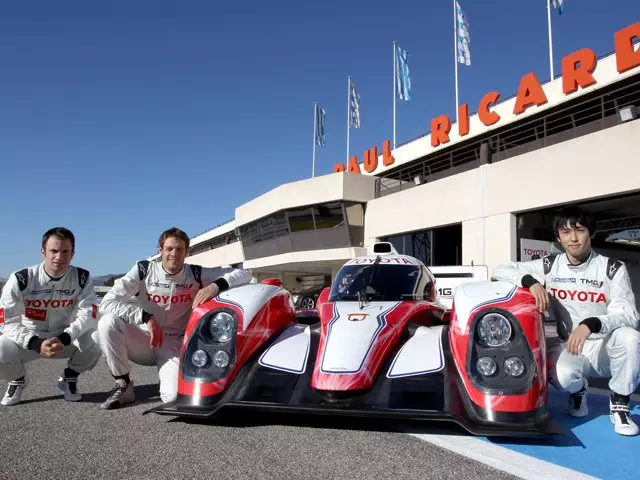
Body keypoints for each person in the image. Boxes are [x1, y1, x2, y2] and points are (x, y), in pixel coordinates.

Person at [492, 206, 640, 436]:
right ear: (558, 237)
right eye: (565, 232)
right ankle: (578, 391)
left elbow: (629, 315)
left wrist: (591, 324)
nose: (573, 238)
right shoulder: (551, 266)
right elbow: (501, 269)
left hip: (604, 347)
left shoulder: (612, 268)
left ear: (590, 233)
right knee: (560, 375)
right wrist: (531, 281)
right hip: (571, 347)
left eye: (579, 230)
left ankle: (620, 403)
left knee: (631, 338)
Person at [97, 227, 253, 409]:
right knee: (107, 323)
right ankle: (123, 385)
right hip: (144, 338)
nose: (174, 254)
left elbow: (245, 273)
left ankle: (168, 382)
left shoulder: (195, 273)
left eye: (180, 249)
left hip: (173, 344)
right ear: (160, 250)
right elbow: (107, 303)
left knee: (172, 398)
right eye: (169, 249)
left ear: (187, 252)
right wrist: (145, 317)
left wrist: (214, 286)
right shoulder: (143, 270)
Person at [0, 227, 101, 406]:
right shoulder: (21, 278)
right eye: (54, 251)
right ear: (43, 252)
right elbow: (7, 321)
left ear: (73, 253)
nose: (59, 257)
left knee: (97, 340)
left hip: (63, 338)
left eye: (65, 252)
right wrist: (36, 343)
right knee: (1, 347)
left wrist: (65, 337)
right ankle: (17, 379)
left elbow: (89, 314)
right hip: (29, 339)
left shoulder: (82, 277)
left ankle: (69, 378)